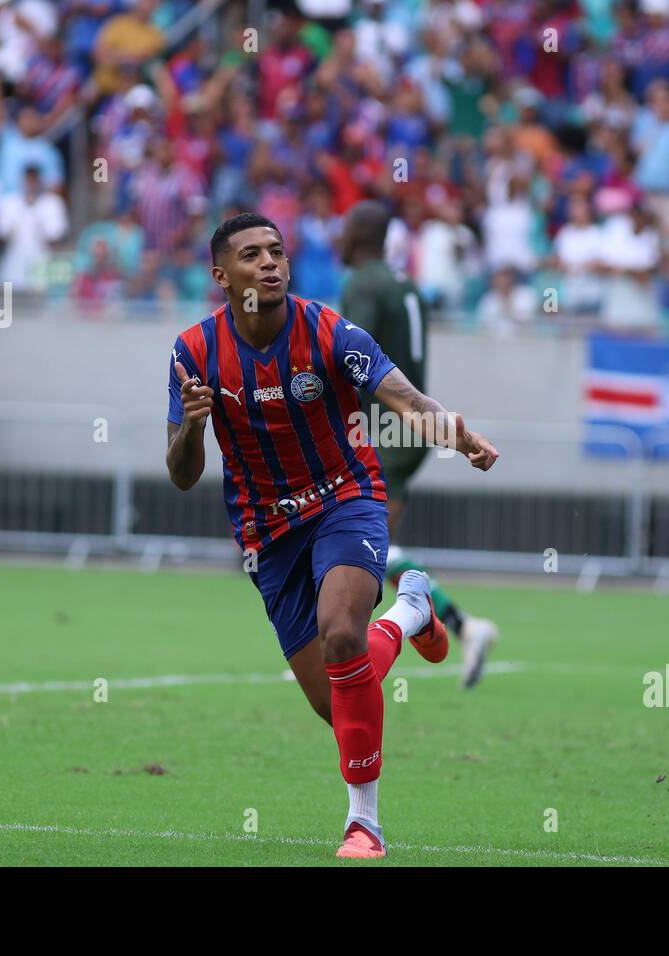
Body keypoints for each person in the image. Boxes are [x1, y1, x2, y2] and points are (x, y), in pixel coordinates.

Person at [165, 213, 498, 858]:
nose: (269, 263)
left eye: (277, 252)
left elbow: (405, 400)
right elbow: (181, 476)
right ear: (220, 275)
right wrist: (191, 428)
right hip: (267, 531)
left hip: (347, 496)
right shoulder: (193, 353)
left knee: (342, 631)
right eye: (252, 254)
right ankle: (410, 612)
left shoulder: (328, 331)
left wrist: (460, 436)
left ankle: (364, 822)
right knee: (338, 702)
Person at [339, 199, 500, 688]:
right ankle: (462, 626)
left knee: (353, 538)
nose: (337, 238)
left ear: (359, 235)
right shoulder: (406, 285)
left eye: (345, 230)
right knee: (367, 542)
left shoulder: (363, 283)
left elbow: (349, 353)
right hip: (411, 426)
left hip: (378, 428)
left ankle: (449, 625)